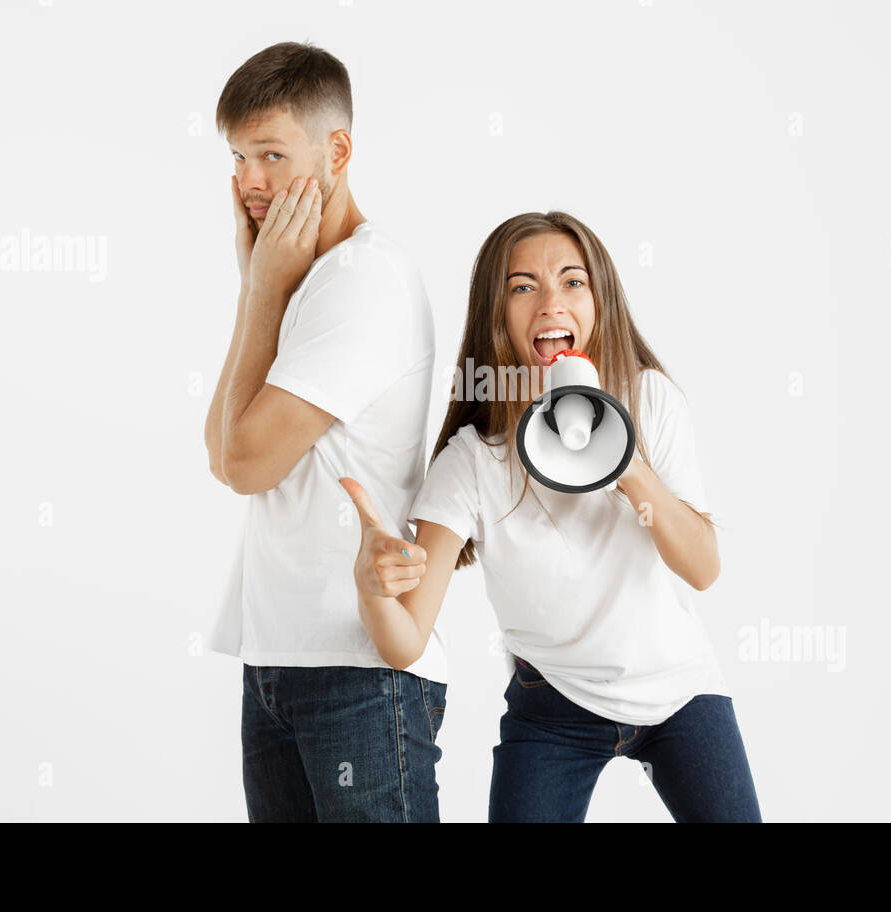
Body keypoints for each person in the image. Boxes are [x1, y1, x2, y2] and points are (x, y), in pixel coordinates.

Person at [340, 211, 761, 822]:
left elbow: (703, 568)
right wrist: (372, 588)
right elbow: (404, 641)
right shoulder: (473, 460)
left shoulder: (650, 399)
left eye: (572, 281)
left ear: (599, 301)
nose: (549, 303)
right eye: (522, 286)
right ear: (498, 316)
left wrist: (626, 463)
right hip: (554, 708)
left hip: (678, 692)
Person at [204, 42, 447, 822]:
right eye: (238, 156)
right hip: (279, 660)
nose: (249, 181)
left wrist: (262, 290)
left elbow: (244, 462)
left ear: (337, 151)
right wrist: (261, 289)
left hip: (357, 672)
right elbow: (222, 451)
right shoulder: (303, 277)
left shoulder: (361, 280)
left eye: (272, 154)